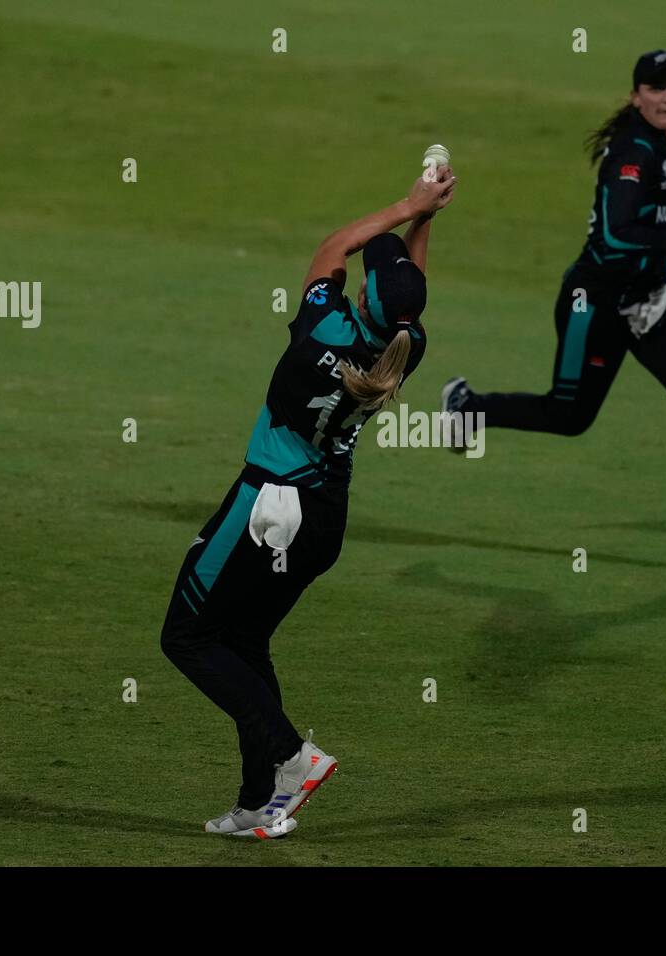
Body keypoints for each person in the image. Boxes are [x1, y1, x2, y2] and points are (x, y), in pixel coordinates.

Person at [161, 166, 457, 838]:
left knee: (185, 637)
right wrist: (428, 219)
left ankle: (294, 757)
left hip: (267, 504)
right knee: (243, 641)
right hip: (322, 522)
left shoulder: (323, 329)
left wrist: (410, 204)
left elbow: (335, 243)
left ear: (363, 294)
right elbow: (406, 290)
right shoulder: (406, 347)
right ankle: (257, 798)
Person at [443, 51, 666, 567]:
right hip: (593, 306)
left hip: (655, 304)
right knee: (569, 415)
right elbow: (618, 234)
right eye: (657, 87)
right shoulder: (631, 153)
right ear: (636, 95)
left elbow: (645, 225)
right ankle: (469, 408)